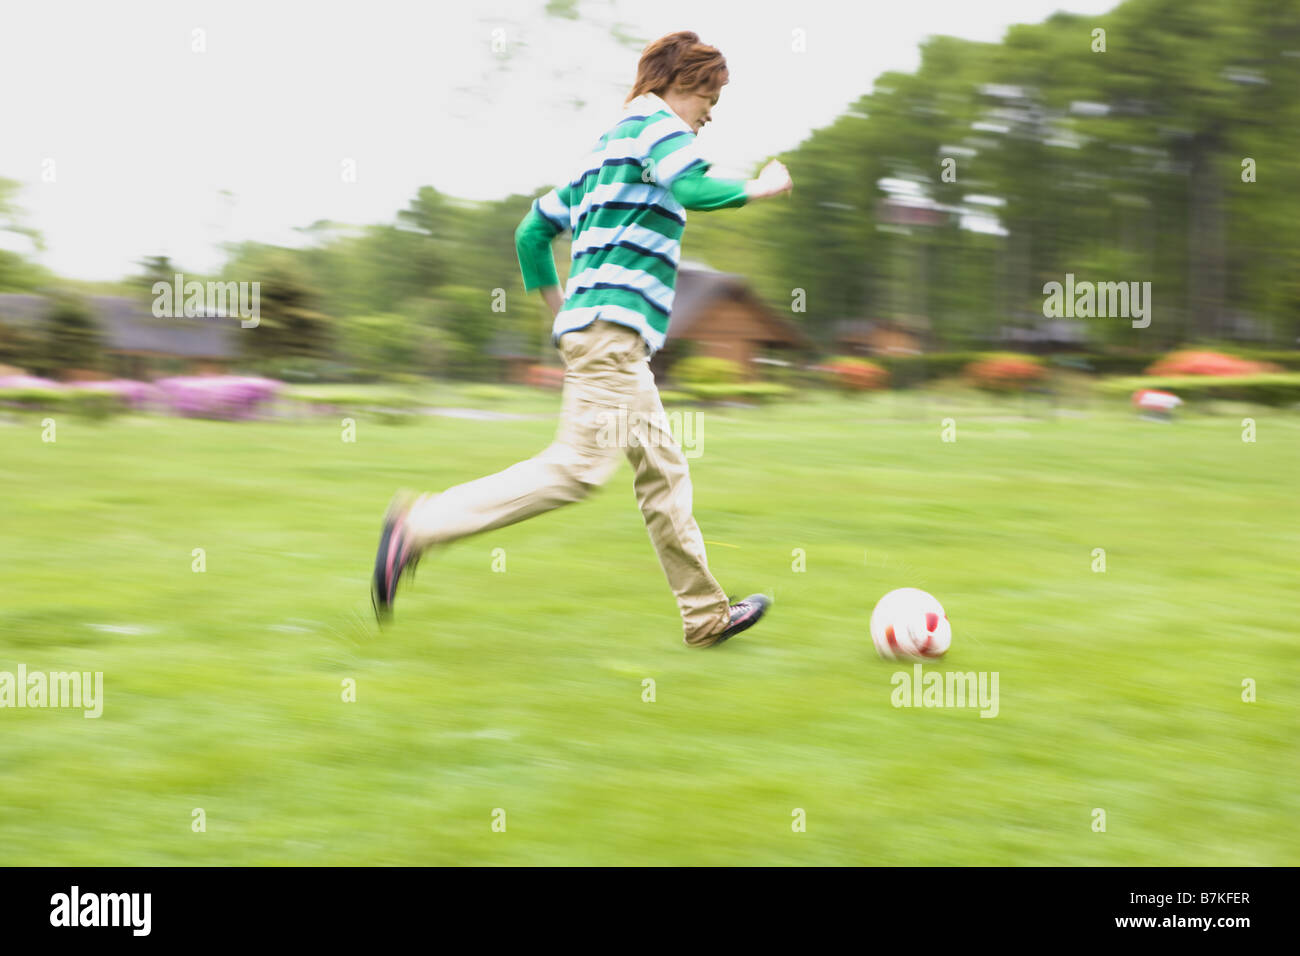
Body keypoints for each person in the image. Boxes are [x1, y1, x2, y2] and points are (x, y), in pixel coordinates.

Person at [373, 30, 793, 647]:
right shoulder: (656, 127)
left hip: (606, 336)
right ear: (681, 83)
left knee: (663, 473)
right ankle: (417, 526)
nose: (710, 114)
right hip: (612, 337)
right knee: (576, 471)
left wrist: (562, 310)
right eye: (710, 97)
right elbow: (694, 188)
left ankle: (705, 616)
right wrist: (762, 185)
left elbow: (529, 232)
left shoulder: (604, 152)